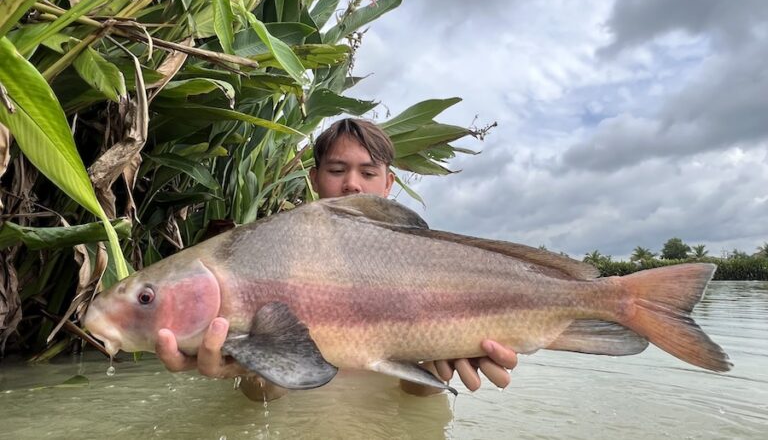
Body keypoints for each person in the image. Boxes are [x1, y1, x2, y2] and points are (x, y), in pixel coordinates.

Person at [156, 118, 518, 399]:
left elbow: (415, 397)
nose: (352, 185)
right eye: (337, 170)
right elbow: (264, 401)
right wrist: (251, 368)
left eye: (369, 172)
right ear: (314, 178)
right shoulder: (265, 261)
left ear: (388, 183)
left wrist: (441, 368)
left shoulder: (433, 269)